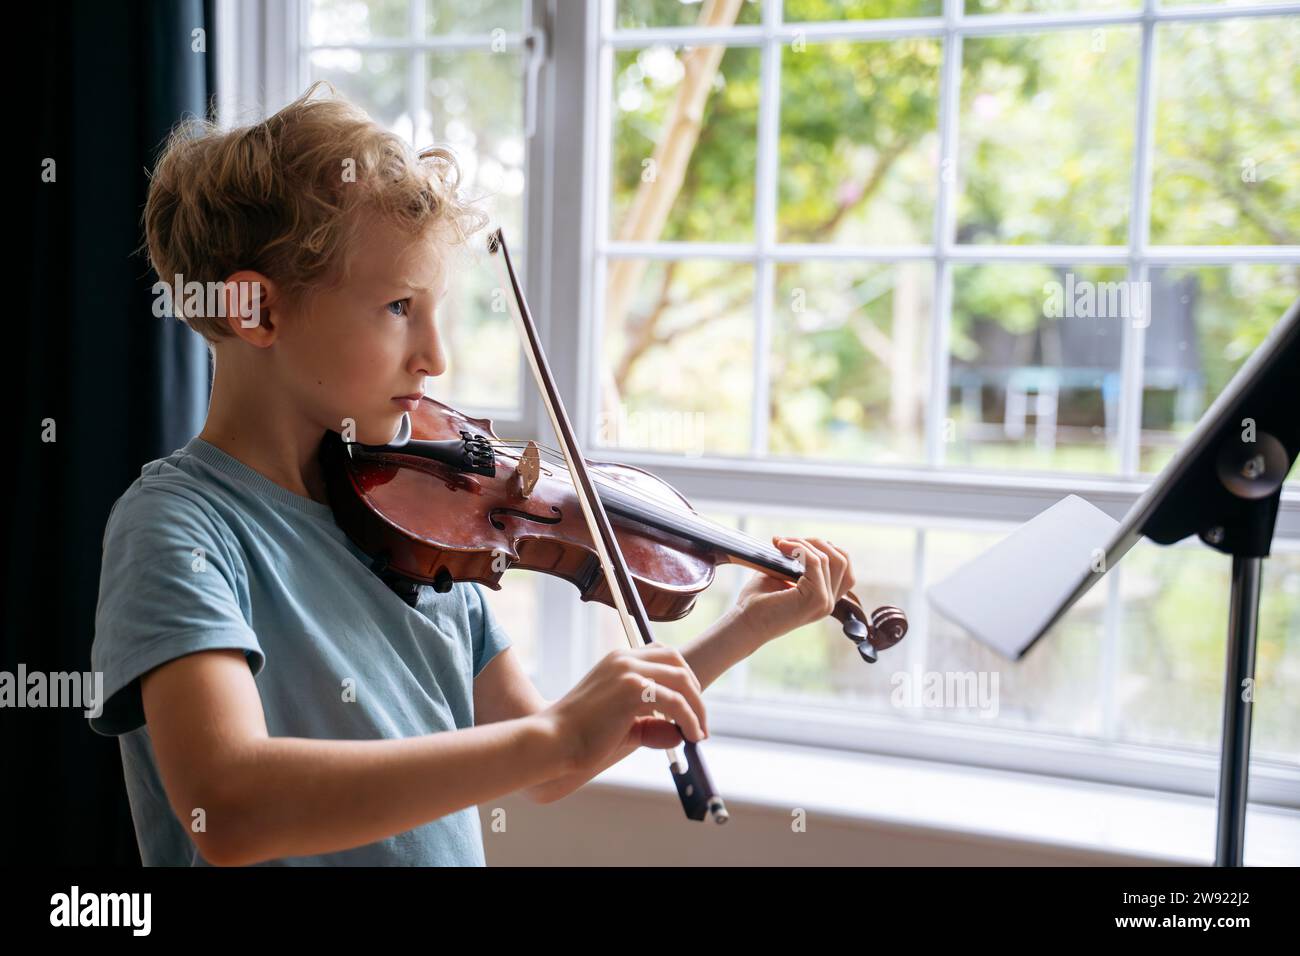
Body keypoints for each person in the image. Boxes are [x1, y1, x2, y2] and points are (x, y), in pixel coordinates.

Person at [89, 81, 858, 866]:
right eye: (397, 307)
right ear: (257, 313)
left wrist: (747, 627)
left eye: (435, 310)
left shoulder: (422, 517)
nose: (436, 357)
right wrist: (554, 736)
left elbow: (547, 760)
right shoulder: (178, 527)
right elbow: (231, 806)